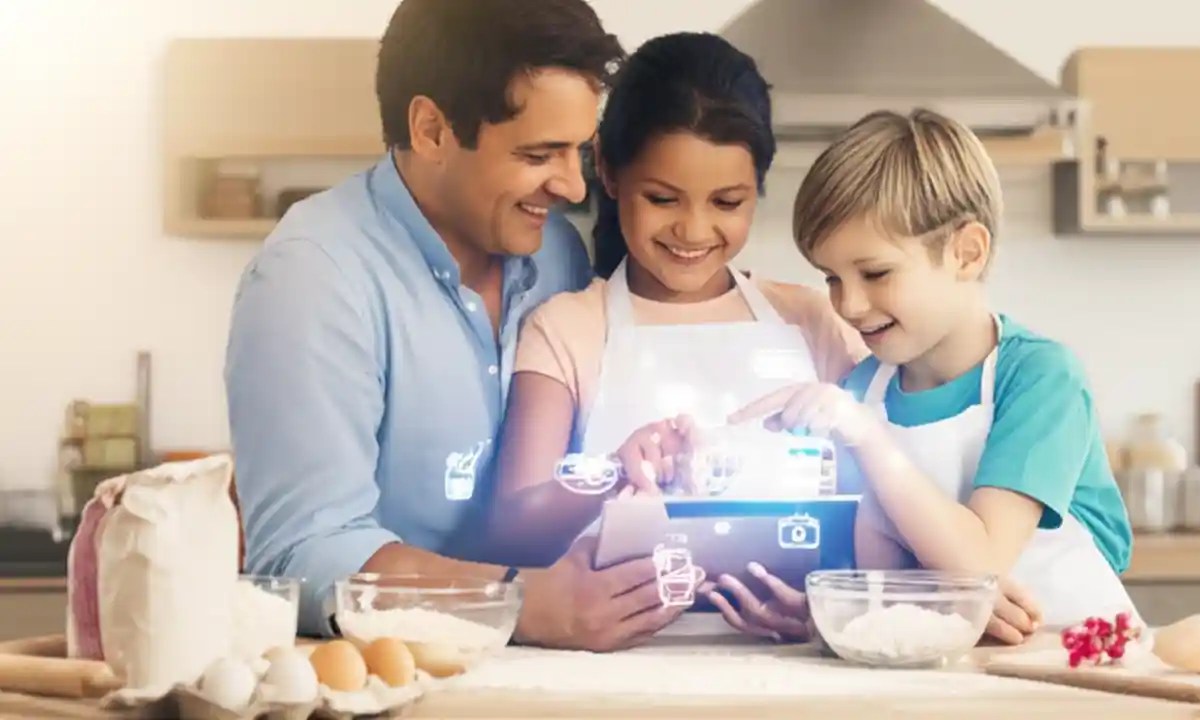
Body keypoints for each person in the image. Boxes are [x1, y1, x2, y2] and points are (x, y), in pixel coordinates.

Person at [223, 0, 672, 653]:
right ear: (432, 129)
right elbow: (303, 553)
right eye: (541, 153)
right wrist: (512, 600)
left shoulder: (557, 256)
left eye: (580, 151)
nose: (574, 186)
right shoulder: (312, 278)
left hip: (563, 665)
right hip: (389, 680)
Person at [487, 32, 867, 642]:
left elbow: (884, 503)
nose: (694, 229)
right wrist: (612, 471)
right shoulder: (567, 329)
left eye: (727, 201)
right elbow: (512, 528)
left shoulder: (815, 321)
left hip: (786, 662)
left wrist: (831, 605)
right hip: (605, 666)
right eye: (662, 198)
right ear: (609, 173)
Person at [729, 108, 1137, 641]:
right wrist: (831, 614)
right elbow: (883, 581)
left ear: (966, 253)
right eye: (831, 277)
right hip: (953, 676)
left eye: (876, 273)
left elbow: (983, 560)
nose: (848, 304)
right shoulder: (863, 392)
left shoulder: (1039, 379)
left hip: (1079, 669)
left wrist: (869, 439)